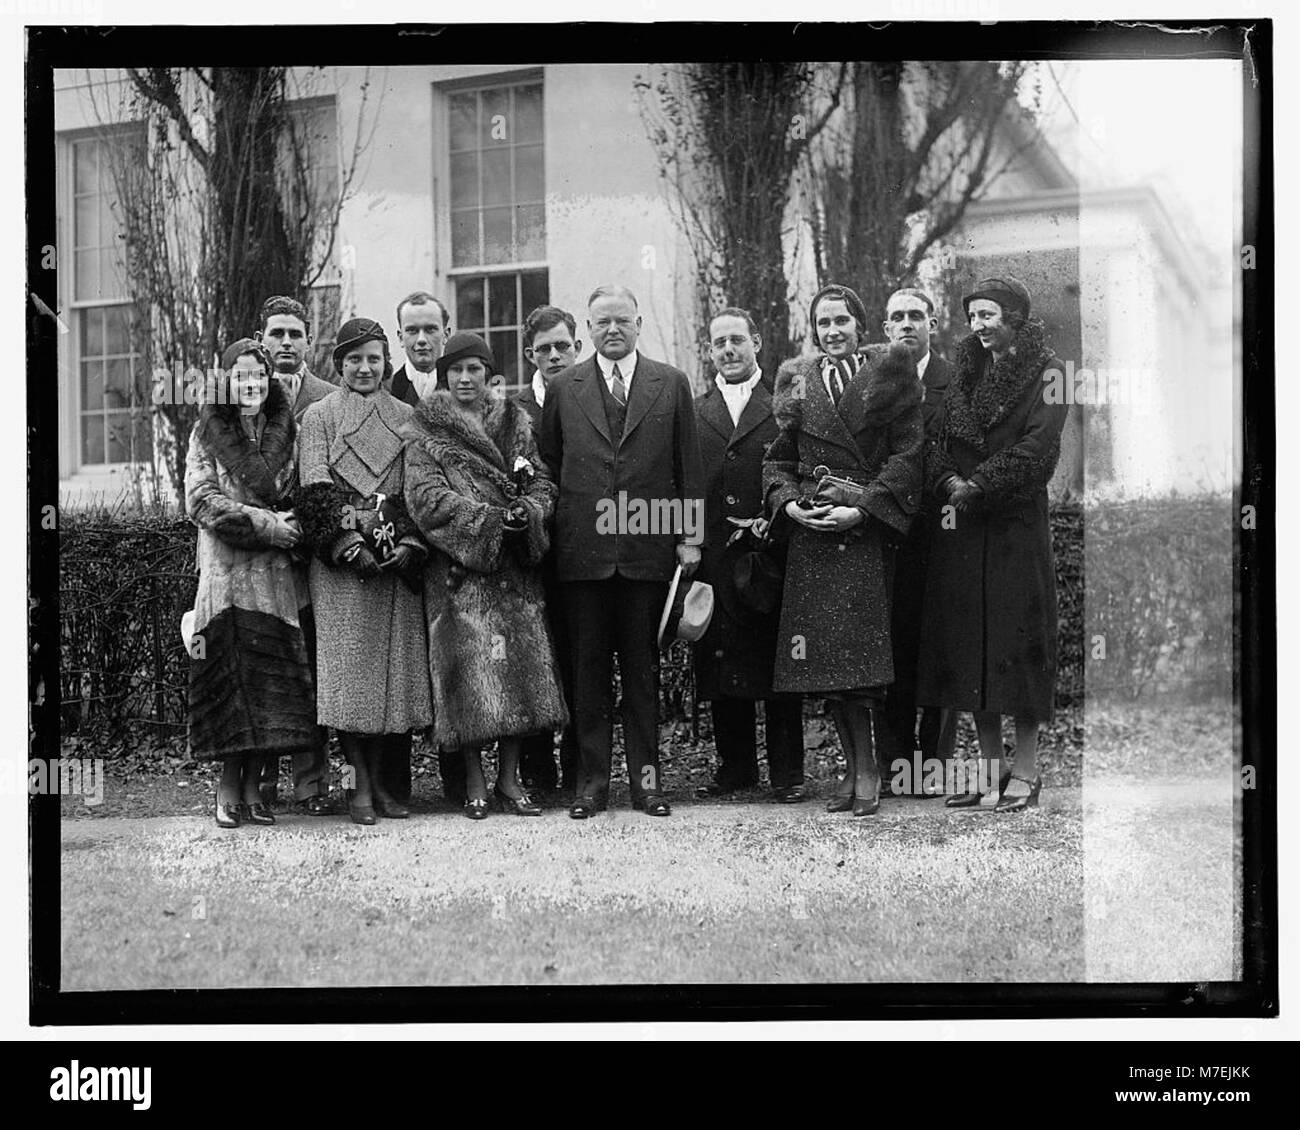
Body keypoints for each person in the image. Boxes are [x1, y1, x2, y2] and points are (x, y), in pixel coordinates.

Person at [539, 285, 705, 819]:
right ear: (588, 329)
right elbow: (549, 466)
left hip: (647, 554)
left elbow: (688, 468)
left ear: (639, 323)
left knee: (641, 674)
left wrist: (690, 537)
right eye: (602, 322)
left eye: (622, 321)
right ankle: (590, 786)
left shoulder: (671, 383)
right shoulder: (565, 387)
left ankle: (647, 785)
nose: (613, 330)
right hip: (583, 557)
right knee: (587, 676)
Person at [763, 283, 923, 816]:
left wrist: (865, 509)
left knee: (863, 665)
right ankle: (851, 772)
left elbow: (907, 456)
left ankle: (870, 771)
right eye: (823, 323)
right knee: (825, 666)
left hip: (861, 532)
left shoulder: (889, 376)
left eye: (842, 322)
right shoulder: (797, 382)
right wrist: (788, 506)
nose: (833, 332)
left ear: (860, 325)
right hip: (814, 536)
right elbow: (778, 461)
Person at [918, 276, 1067, 812]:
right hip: (962, 528)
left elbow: (1037, 447)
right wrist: (948, 485)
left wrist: (978, 484)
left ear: (1015, 319)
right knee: (970, 646)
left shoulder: (1051, 372)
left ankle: (1026, 770)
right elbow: (935, 444)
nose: (978, 326)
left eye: (988, 315)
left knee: (1017, 646)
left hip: (1014, 527)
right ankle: (988, 770)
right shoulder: (964, 372)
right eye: (973, 316)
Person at [403, 333, 568, 818]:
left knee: (519, 676)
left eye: (475, 368)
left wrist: (530, 511)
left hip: (515, 576)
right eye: (456, 370)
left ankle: (510, 781)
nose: (466, 378)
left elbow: (540, 478)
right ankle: (474, 780)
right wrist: (492, 523)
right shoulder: (425, 431)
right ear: (444, 376)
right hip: (461, 577)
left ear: (489, 374)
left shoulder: (515, 422)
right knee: (468, 678)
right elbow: (426, 501)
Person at [296, 318, 433, 824]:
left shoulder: (405, 416)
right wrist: (349, 544)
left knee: (391, 685)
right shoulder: (319, 416)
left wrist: (412, 542)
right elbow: (313, 489)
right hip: (343, 572)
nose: (364, 367)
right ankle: (359, 787)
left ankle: (386, 787)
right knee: (348, 685)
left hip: (392, 564)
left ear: (385, 361)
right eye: (354, 359)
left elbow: (418, 490)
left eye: (373, 357)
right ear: (339, 365)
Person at [184, 338, 317, 828]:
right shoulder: (206, 433)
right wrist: (267, 526)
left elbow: (308, 489)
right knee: (230, 682)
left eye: (258, 375)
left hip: (278, 579)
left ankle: (256, 789)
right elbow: (200, 500)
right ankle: (227, 789)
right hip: (228, 577)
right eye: (241, 376)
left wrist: (296, 525)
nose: (252, 384)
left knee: (268, 684)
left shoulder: (291, 431)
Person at [693, 308, 806, 803]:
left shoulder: (784, 403)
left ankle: (787, 772)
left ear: (756, 342)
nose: (729, 351)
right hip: (718, 553)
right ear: (710, 352)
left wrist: (775, 520)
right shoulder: (696, 411)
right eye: (719, 344)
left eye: (738, 340)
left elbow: (801, 469)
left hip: (773, 549)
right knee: (721, 658)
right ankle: (736, 767)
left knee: (777, 661)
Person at [873, 287, 958, 795]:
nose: (906, 324)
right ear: (886, 329)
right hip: (892, 536)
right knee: (896, 648)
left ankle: (936, 765)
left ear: (933, 322)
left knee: (943, 647)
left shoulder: (956, 380)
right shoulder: (878, 382)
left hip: (945, 534)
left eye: (915, 316)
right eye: (897, 317)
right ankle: (896, 762)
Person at [254, 295, 337, 815]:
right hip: (259, 559)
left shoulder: (329, 397)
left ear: (309, 340)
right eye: (277, 334)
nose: (286, 343)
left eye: (295, 334)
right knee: (266, 667)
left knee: (310, 666)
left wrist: (312, 529)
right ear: (262, 339)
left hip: (311, 560)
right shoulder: (245, 395)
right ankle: (262, 780)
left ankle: (312, 784)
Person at [381, 289, 462, 805]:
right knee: (400, 666)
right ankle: (395, 788)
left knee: (453, 664)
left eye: (431, 328)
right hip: (401, 554)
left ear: (446, 332)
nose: (422, 338)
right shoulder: (383, 394)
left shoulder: (465, 391)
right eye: (411, 330)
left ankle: (458, 783)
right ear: (400, 337)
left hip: (453, 552)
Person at [513, 304, 583, 798]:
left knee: (583, 662)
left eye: (563, 346)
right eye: (544, 349)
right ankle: (538, 773)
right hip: (532, 557)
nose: (555, 356)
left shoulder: (595, 398)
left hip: (584, 554)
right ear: (529, 354)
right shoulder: (514, 410)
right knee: (534, 660)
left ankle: (582, 769)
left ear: (577, 347)